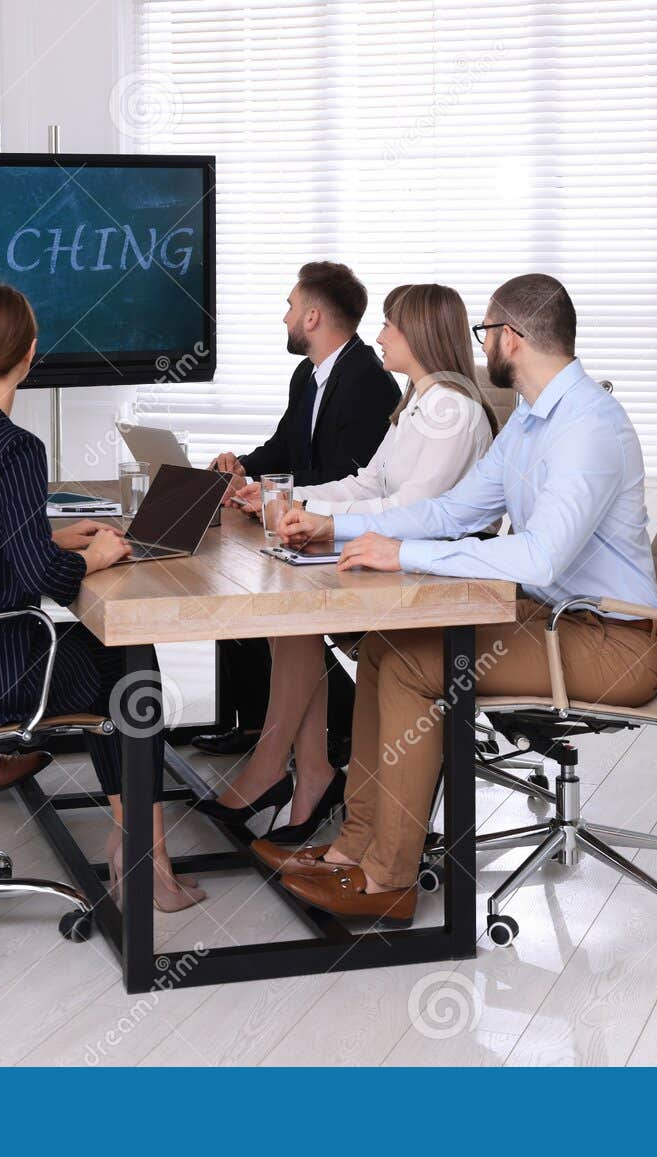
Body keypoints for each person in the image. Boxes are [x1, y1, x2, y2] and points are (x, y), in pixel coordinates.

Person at [256, 274, 657, 924]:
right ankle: (352, 848)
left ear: (512, 337)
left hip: (616, 642)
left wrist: (404, 553)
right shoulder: (533, 421)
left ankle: (389, 878)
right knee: (390, 644)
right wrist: (339, 526)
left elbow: (539, 556)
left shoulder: (587, 428)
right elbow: (454, 509)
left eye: (486, 334)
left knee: (419, 666)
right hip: (556, 616)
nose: (480, 349)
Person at [0, 284, 205, 910]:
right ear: (30, 354)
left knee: (108, 657)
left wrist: (46, 535)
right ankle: (145, 857)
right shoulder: (16, 447)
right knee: (125, 661)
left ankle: (139, 847)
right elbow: (38, 583)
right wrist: (92, 555)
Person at [198, 284, 496, 844]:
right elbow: (369, 482)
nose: (379, 335)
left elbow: (413, 513)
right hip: (396, 559)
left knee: (294, 615)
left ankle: (273, 770)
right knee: (290, 618)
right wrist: (293, 502)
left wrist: (321, 519)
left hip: (429, 577)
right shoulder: (420, 402)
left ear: (420, 335)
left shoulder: (450, 410)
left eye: (390, 326)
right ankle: (310, 774)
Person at [195, 261, 400, 768]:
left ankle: (337, 729)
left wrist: (278, 496)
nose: (284, 316)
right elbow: (286, 447)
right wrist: (243, 469)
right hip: (309, 521)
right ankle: (255, 723)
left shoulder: (368, 382)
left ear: (312, 317)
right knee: (232, 570)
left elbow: (349, 478)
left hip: (346, 535)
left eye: (290, 306)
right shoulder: (307, 375)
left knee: (256, 585)